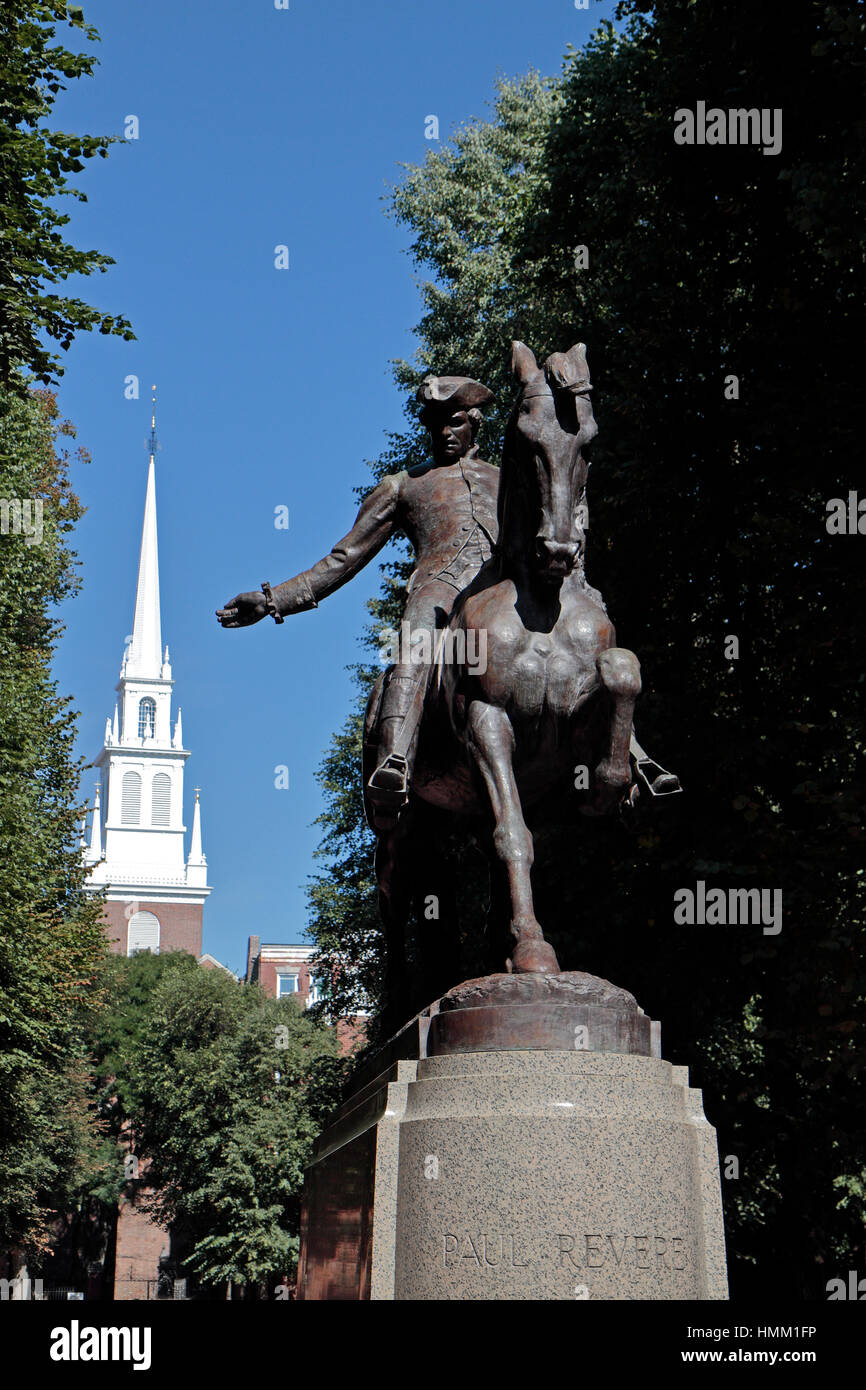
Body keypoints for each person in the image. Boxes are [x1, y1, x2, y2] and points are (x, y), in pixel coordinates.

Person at [217, 375, 499, 814]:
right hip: (439, 593)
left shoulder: (507, 481)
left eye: (456, 423)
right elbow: (344, 558)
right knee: (416, 641)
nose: (445, 433)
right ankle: (395, 760)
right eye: (435, 425)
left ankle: (628, 752)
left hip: (501, 592)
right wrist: (273, 600)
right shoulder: (404, 486)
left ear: (474, 425)